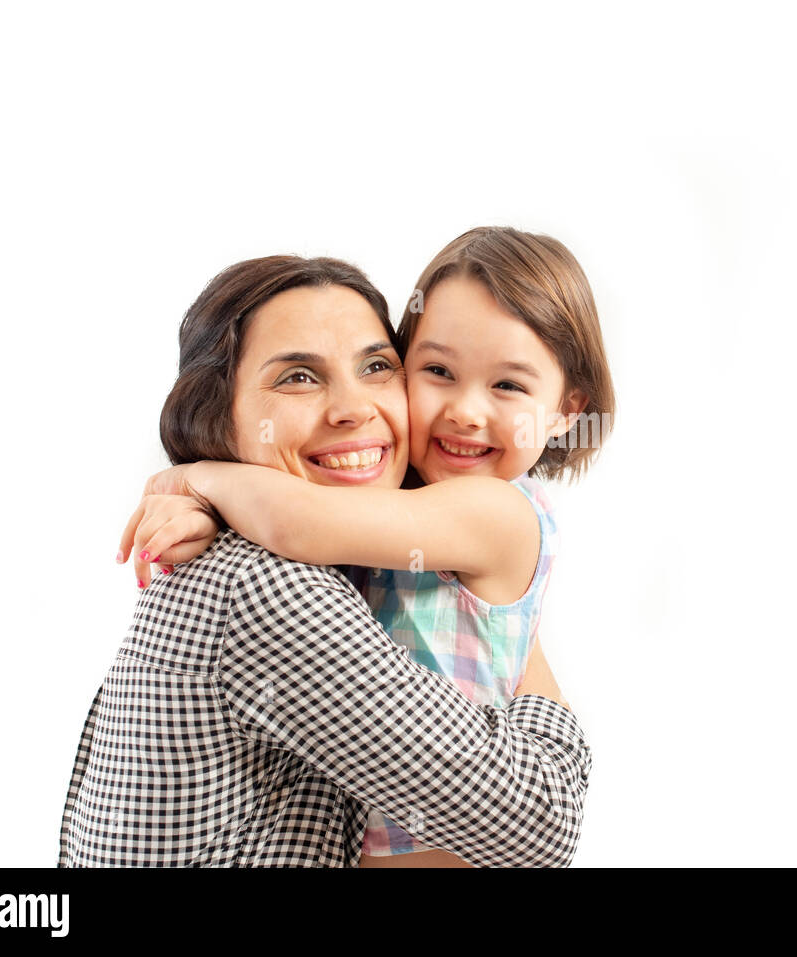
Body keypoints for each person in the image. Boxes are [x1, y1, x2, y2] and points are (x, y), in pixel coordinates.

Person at [59, 255, 590, 867]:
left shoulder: (360, 544)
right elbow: (536, 826)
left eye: (375, 367)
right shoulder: (272, 588)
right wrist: (203, 484)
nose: (353, 409)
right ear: (217, 415)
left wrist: (207, 488)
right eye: (298, 378)